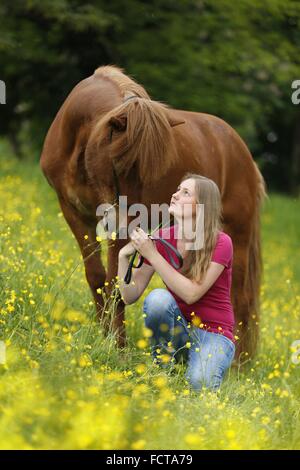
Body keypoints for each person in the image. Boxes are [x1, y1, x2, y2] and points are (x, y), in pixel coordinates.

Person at [117, 173, 235, 392]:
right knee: (157, 300)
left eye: (185, 193)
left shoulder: (221, 242)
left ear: (201, 207)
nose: (175, 195)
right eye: (178, 189)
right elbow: (129, 296)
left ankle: (199, 364)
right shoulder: (162, 237)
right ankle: (162, 367)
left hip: (214, 334)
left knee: (199, 384)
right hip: (180, 330)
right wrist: (122, 257)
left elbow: (191, 294)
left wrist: (152, 254)